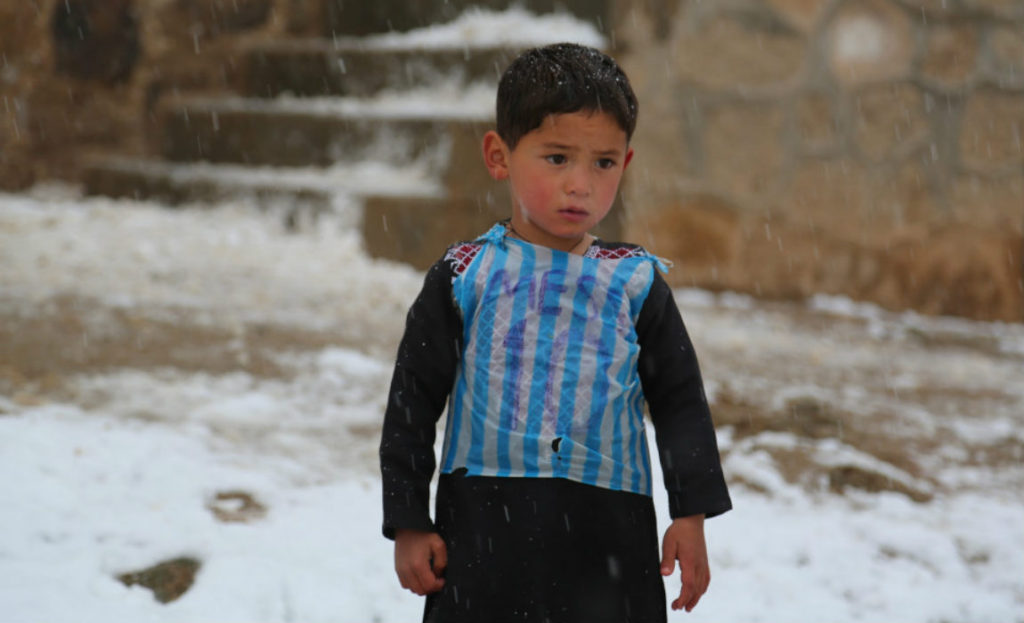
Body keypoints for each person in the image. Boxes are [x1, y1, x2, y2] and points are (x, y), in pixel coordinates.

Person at [379, 42, 731, 623]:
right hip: (485, 529)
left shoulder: (634, 284)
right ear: (499, 155)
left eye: (603, 163)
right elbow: (412, 405)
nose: (581, 185)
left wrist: (690, 515)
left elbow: (679, 403)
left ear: (627, 162)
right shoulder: (466, 276)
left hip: (609, 532)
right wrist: (409, 520)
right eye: (557, 157)